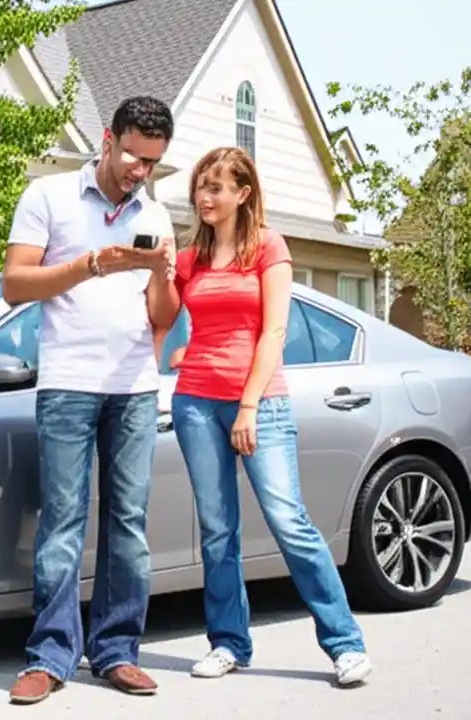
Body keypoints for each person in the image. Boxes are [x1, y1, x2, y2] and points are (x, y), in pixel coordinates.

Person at [149, 146, 373, 687]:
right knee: (217, 529)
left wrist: (248, 405)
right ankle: (228, 642)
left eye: (216, 188)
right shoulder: (191, 258)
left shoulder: (268, 248)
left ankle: (345, 644)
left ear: (242, 194)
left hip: (260, 403)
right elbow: (162, 317)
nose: (204, 196)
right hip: (196, 401)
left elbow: (273, 332)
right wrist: (161, 272)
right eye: (200, 187)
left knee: (289, 522)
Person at [1, 95, 178, 705]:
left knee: (128, 525)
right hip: (68, 384)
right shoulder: (48, 197)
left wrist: (157, 271)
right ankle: (50, 656)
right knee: (63, 523)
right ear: (108, 139)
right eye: (132, 155)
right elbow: (14, 285)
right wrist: (92, 266)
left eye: (151, 162)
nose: (139, 170)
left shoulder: (155, 213)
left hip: (133, 389)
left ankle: (116, 651)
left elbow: (166, 315)